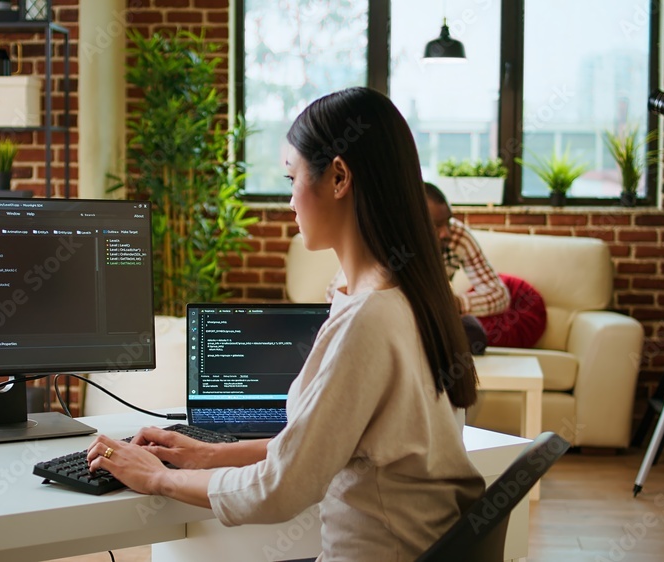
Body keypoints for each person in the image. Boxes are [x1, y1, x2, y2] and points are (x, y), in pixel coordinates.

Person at [86, 87, 485, 560]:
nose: (289, 200)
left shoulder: (369, 319)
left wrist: (156, 477)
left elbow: (279, 489)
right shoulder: (411, 296)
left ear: (339, 177)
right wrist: (208, 453)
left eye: (292, 177)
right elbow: (321, 445)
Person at [327, 182, 511, 319]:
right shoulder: (382, 241)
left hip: (433, 323)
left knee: (472, 331)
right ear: (412, 223)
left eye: (448, 221)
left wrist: (455, 304)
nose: (446, 232)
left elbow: (499, 296)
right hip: (387, 320)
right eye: (436, 225)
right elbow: (333, 296)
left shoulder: (457, 236)